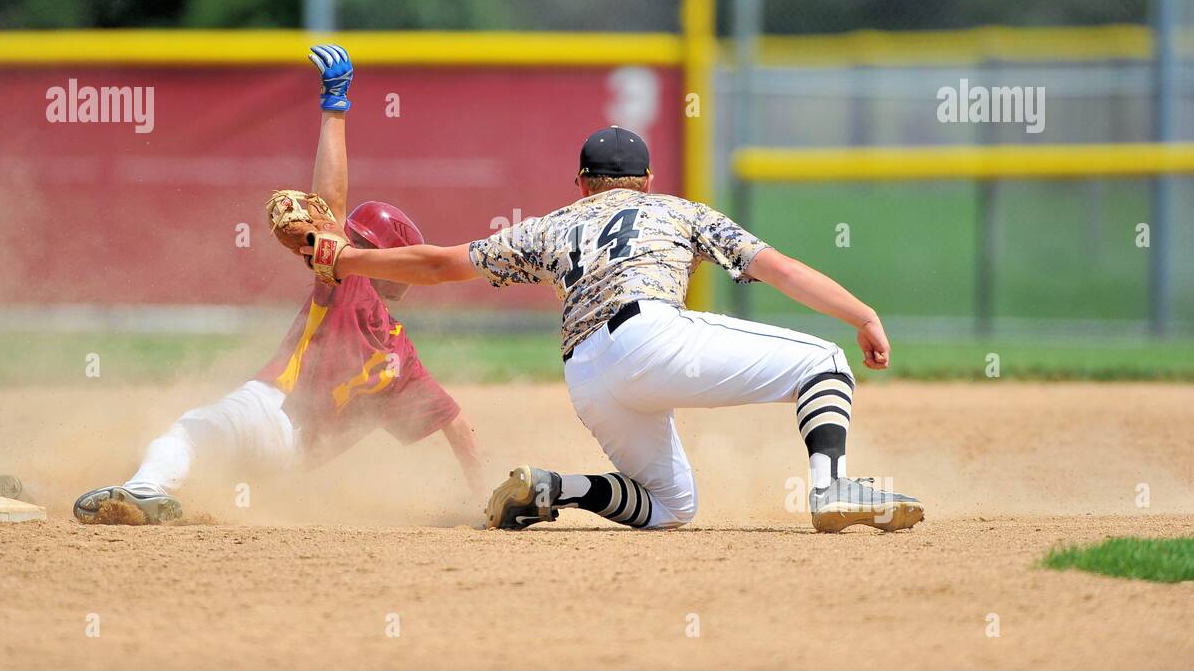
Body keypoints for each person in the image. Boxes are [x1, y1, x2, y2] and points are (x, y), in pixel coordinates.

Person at [301, 125, 923, 533]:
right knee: (825, 362)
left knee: (674, 507)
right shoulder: (677, 209)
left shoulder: (550, 226)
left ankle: (554, 488)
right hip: (651, 336)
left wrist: (344, 258)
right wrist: (863, 316)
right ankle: (831, 488)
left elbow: (438, 263)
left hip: (587, 375)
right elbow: (781, 271)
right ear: (647, 181)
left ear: (581, 185)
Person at [73, 45, 483, 523]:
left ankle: (141, 489)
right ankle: (128, 483)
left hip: (272, 412)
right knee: (207, 458)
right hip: (289, 463)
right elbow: (458, 425)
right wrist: (481, 500)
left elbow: (328, 202)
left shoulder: (351, 283)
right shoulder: (403, 357)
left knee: (190, 432)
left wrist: (335, 108)